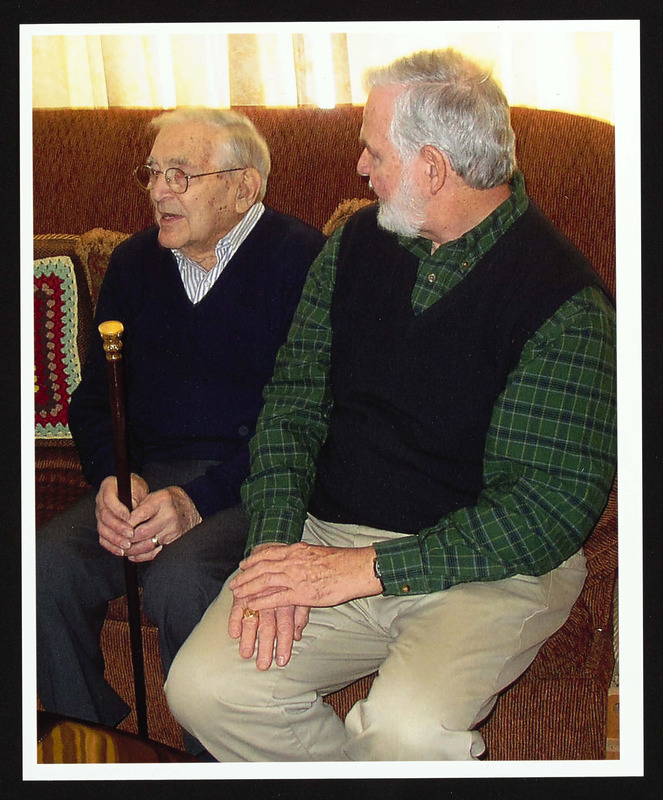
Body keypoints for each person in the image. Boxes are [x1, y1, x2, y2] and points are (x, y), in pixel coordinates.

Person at [165, 49, 617, 761]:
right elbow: (290, 406)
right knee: (203, 688)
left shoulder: (565, 305)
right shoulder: (351, 248)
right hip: (329, 534)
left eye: (373, 151)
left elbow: (544, 508)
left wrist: (366, 571)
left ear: (432, 168)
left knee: (407, 731)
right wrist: (279, 544)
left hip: (489, 570)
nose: (359, 169)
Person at [36, 108, 324, 753]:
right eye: (154, 173)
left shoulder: (303, 262)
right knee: (43, 568)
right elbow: (94, 401)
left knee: (180, 578)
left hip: (256, 479)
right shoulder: (138, 262)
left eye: (181, 174)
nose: (158, 190)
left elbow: (311, 423)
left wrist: (200, 500)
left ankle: (210, 760)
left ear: (244, 187)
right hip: (148, 474)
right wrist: (112, 475)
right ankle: (95, 747)